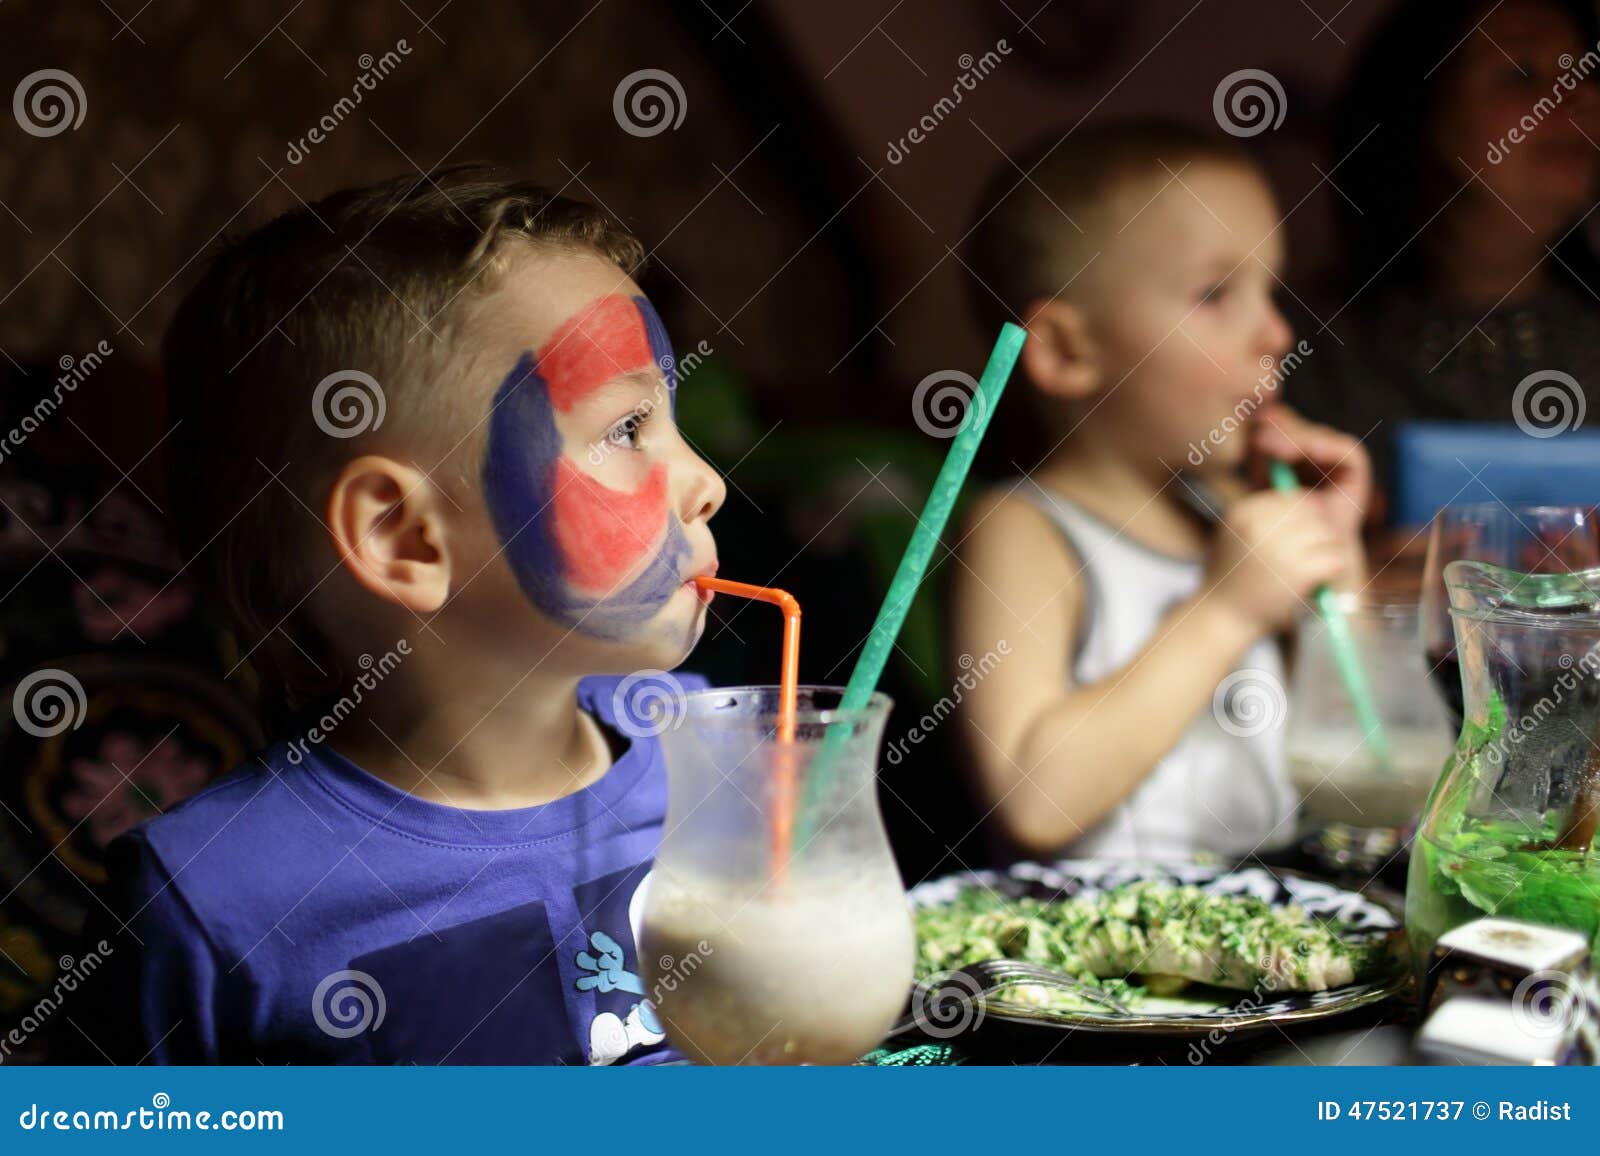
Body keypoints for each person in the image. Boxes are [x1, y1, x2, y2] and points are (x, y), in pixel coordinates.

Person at [80, 168, 725, 1064]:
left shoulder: (723, 756)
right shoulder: (213, 898)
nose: (709, 482)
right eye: (627, 429)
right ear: (405, 538)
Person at [950, 121, 1371, 862]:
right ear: (1066, 350)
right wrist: (1225, 608)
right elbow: (1033, 803)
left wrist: (1340, 561)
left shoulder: (1235, 523)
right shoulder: (1024, 529)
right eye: (1215, 294)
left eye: (1271, 290)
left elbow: (1366, 772)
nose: (1276, 331)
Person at [1288, 0, 1600, 499]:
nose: (1580, 97)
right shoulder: (1298, 350)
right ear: (1421, 111)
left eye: (1588, 71)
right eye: (1520, 72)